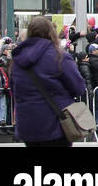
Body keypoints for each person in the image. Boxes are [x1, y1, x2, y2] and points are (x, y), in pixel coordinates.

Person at [9, 16, 89, 148]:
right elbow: (78, 87)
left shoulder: (17, 60)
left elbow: (14, 90)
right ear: (51, 32)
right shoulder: (58, 56)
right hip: (55, 123)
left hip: (27, 123)